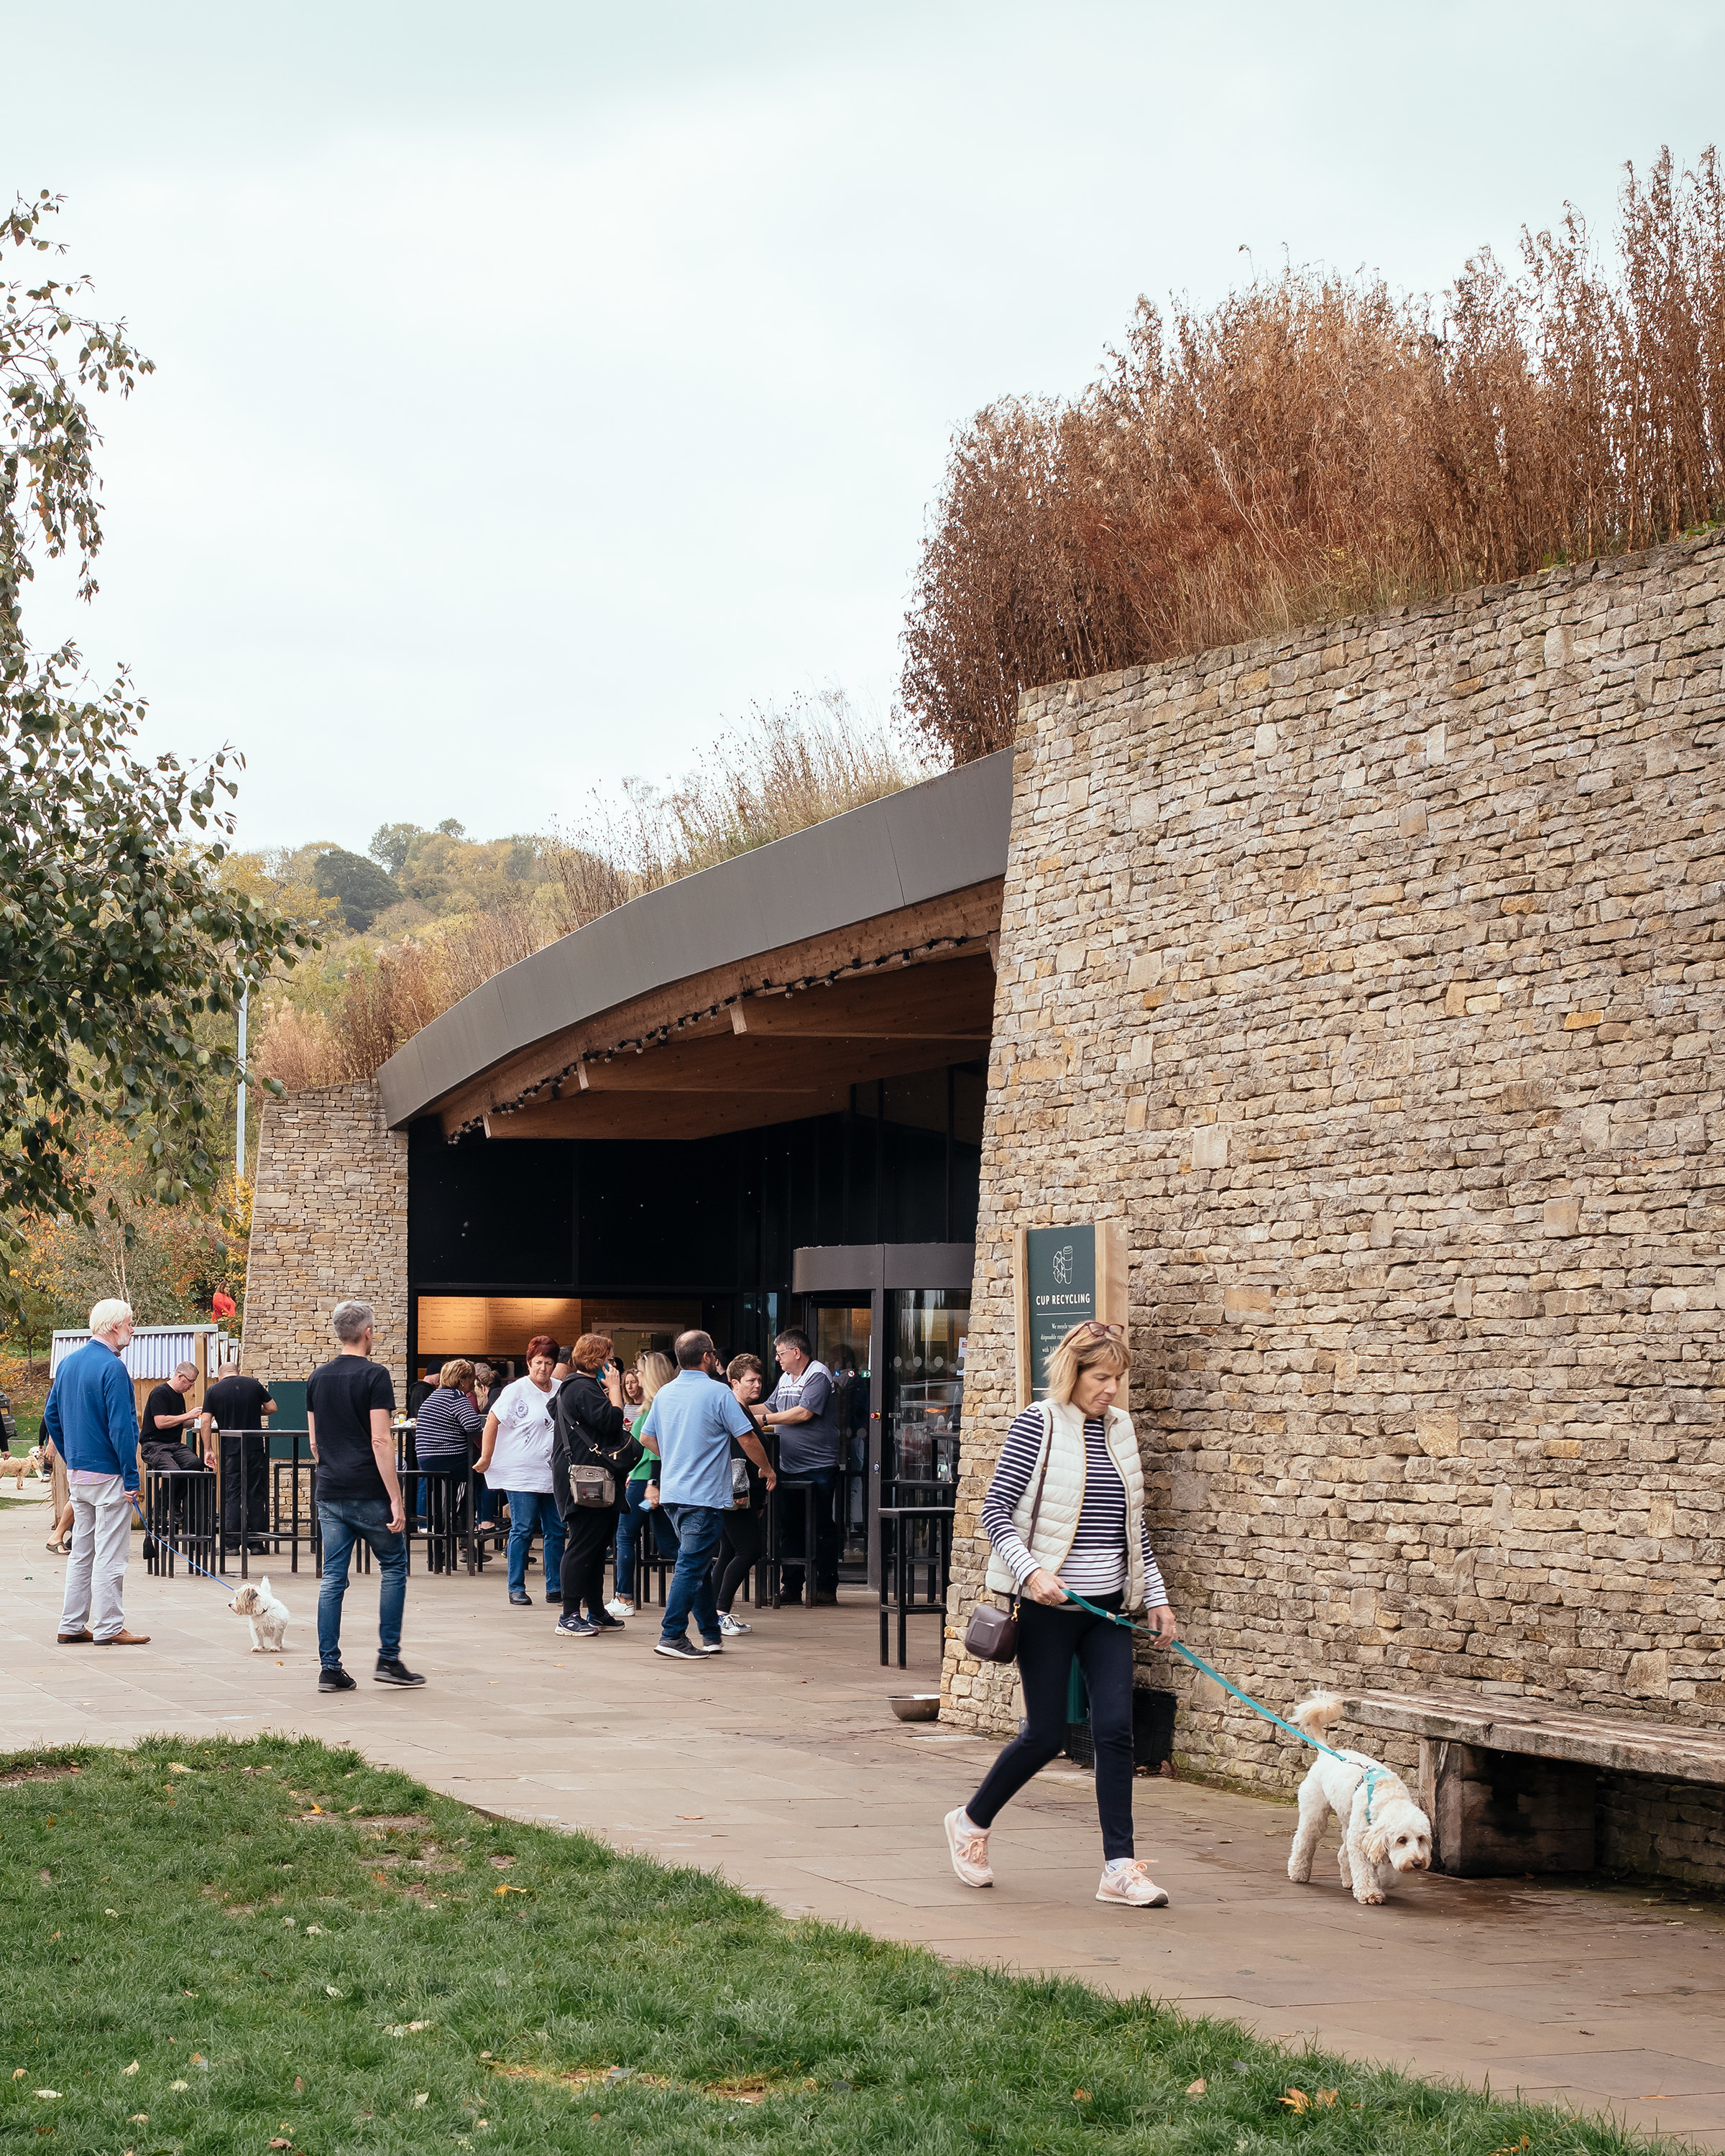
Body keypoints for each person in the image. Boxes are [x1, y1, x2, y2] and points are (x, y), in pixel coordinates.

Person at [944, 1320, 1178, 1909]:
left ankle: (1119, 1868)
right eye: (1102, 1378)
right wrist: (1031, 1572)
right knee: (1046, 1733)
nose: (1111, 1391)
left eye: (1118, 1380)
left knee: (1116, 1733)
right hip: (1046, 1607)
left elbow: (1135, 1527)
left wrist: (1157, 1596)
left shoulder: (1121, 1429)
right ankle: (970, 1823)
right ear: (1073, 1373)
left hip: (1107, 1611)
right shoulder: (1037, 1423)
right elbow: (995, 1510)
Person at [307, 1299, 423, 1692]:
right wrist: (396, 1497)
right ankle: (388, 1659)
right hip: (368, 1490)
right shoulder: (375, 1376)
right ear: (368, 1332)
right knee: (393, 1566)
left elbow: (315, 1443)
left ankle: (329, 1668)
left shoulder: (317, 1378)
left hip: (330, 1490)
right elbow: (380, 1439)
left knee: (332, 1579)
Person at [637, 1330, 773, 1662]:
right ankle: (672, 1635)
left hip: (674, 1493)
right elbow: (747, 1438)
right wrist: (767, 1469)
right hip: (704, 1495)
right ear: (708, 1357)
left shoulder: (666, 1392)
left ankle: (710, 1634)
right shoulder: (718, 1393)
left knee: (695, 1564)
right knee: (690, 1565)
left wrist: (675, 1456)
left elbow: (645, 1436)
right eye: (714, 1353)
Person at [45, 1299, 149, 1646]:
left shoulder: (69, 1363)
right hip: (108, 1475)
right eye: (130, 1324)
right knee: (111, 1554)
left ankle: (71, 1624)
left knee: (82, 1552)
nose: (132, 1329)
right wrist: (132, 1479)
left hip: (79, 1473)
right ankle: (109, 1627)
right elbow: (124, 1428)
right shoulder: (113, 1367)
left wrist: (71, 1451)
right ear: (114, 1326)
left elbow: (51, 1416)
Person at [550, 1334, 635, 1636]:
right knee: (583, 1545)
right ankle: (569, 1614)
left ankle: (596, 1611)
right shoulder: (582, 1388)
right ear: (597, 1360)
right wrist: (615, 1390)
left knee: (597, 1547)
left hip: (595, 1477)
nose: (612, 1365)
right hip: (587, 1479)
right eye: (609, 1358)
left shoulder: (578, 1387)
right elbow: (611, 1421)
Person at [477, 1334, 566, 1608]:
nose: (543, 1369)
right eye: (538, 1362)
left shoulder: (561, 1389)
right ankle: (516, 1586)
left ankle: (555, 1586)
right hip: (521, 1471)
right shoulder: (516, 1390)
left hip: (552, 1472)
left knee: (556, 1530)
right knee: (523, 1529)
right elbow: (493, 1420)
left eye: (548, 1363)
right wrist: (486, 1457)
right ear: (529, 1363)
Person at [757, 1327, 842, 1603]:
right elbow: (769, 1407)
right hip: (787, 1466)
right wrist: (736, 1407)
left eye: (780, 1353)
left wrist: (765, 1422)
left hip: (817, 1467)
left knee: (820, 1527)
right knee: (789, 1526)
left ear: (796, 1352)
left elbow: (804, 1412)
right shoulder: (786, 1378)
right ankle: (791, 1586)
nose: (777, 1359)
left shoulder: (817, 1374)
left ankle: (825, 1586)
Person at [714, 1353, 778, 1636]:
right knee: (750, 1550)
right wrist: (742, 1491)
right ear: (734, 1382)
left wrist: (760, 1499)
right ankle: (719, 1611)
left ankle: (713, 1609)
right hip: (737, 1491)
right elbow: (737, 1452)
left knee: (729, 1550)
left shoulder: (743, 1409)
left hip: (744, 1492)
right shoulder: (734, 1410)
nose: (757, 1385)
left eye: (760, 1380)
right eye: (751, 1380)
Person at [607, 1350, 674, 1618]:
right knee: (668, 1542)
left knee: (625, 1535)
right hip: (647, 1479)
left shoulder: (655, 1406)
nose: (636, 1376)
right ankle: (706, 1582)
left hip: (645, 1480)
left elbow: (656, 1448)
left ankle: (624, 1597)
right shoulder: (655, 1404)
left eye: (641, 1372)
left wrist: (652, 1482)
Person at [201, 1363, 278, 1553]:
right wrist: (253, 1410)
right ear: (238, 1373)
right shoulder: (253, 1384)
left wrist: (208, 1449)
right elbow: (272, 1407)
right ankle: (257, 1543)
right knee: (256, 1494)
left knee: (232, 1494)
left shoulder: (213, 1391)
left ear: (220, 1377)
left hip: (231, 1450)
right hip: (254, 1448)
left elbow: (205, 1421)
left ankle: (231, 1544)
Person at [414, 1358, 484, 1567]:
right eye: (471, 1378)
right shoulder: (457, 1397)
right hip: (450, 1459)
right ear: (462, 1380)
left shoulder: (433, 1397)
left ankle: (440, 1547)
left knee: (450, 1496)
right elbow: (473, 1425)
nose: (473, 1382)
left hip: (426, 1461)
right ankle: (474, 1524)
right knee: (482, 1476)